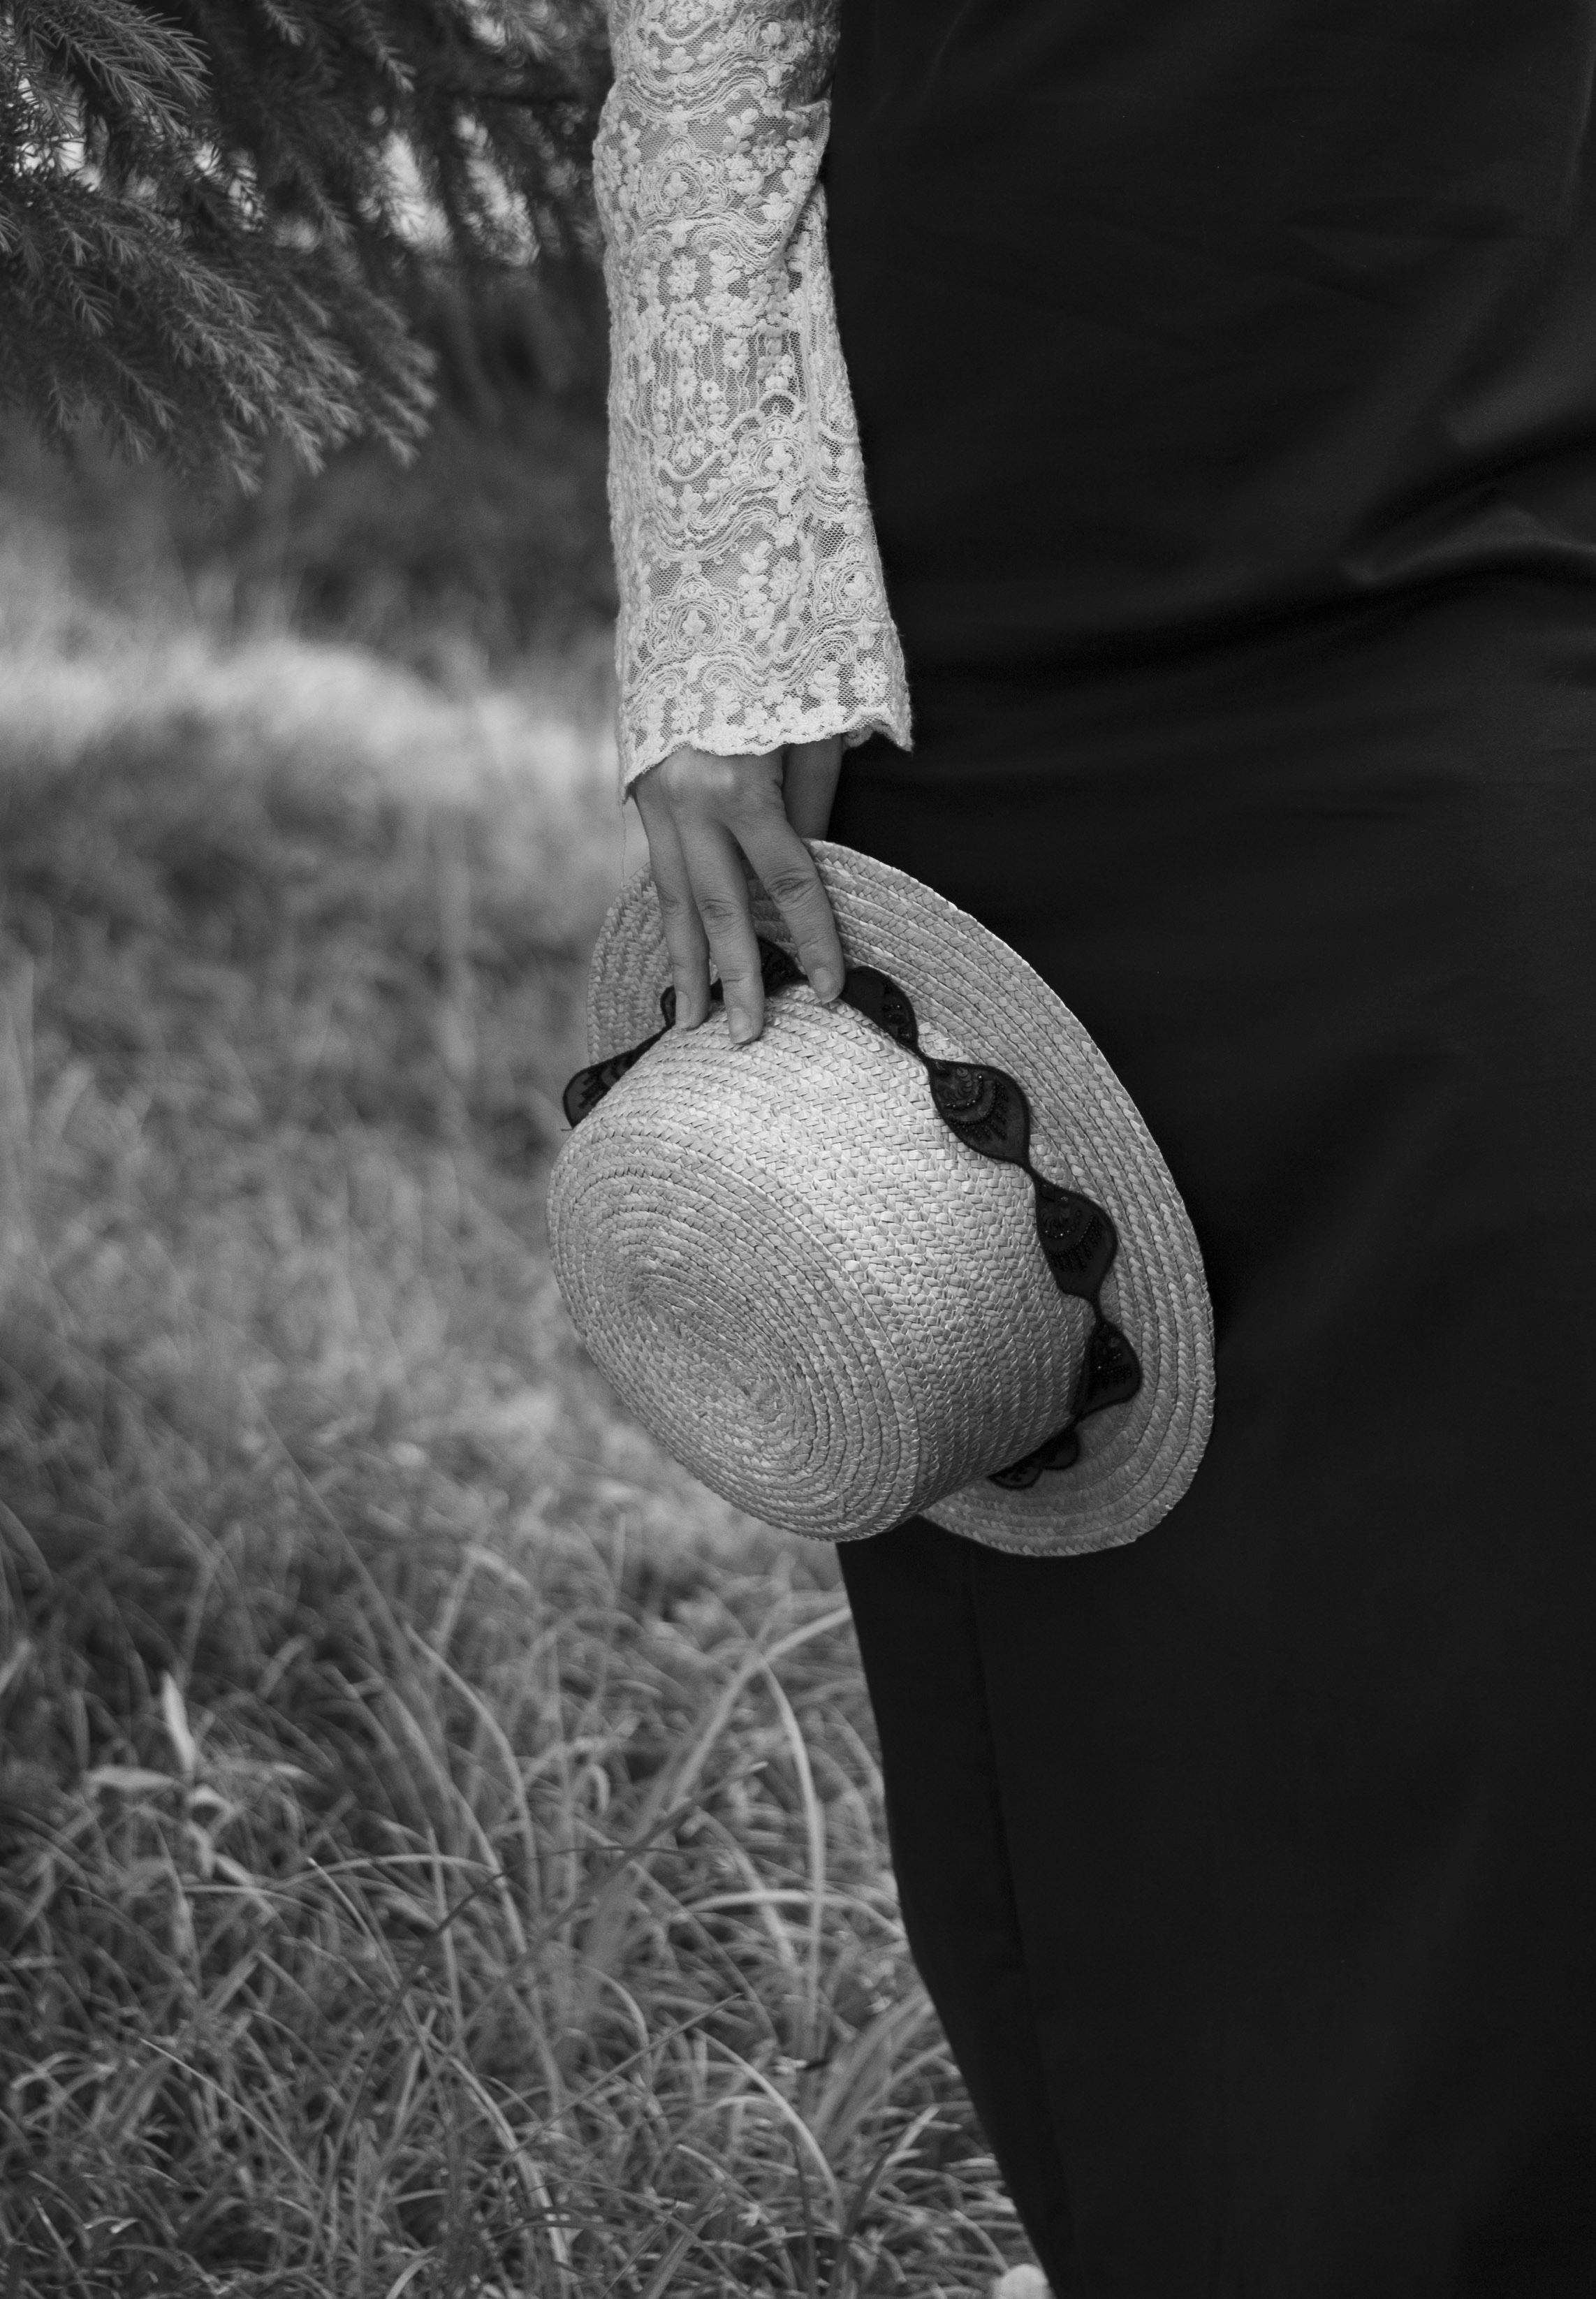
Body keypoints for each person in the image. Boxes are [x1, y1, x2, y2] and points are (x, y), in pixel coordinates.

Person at [592, 3, 1596, 2291]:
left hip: (1478, 507)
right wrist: (723, 614)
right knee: (1085, 1581)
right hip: (971, 611)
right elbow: (716, 32)